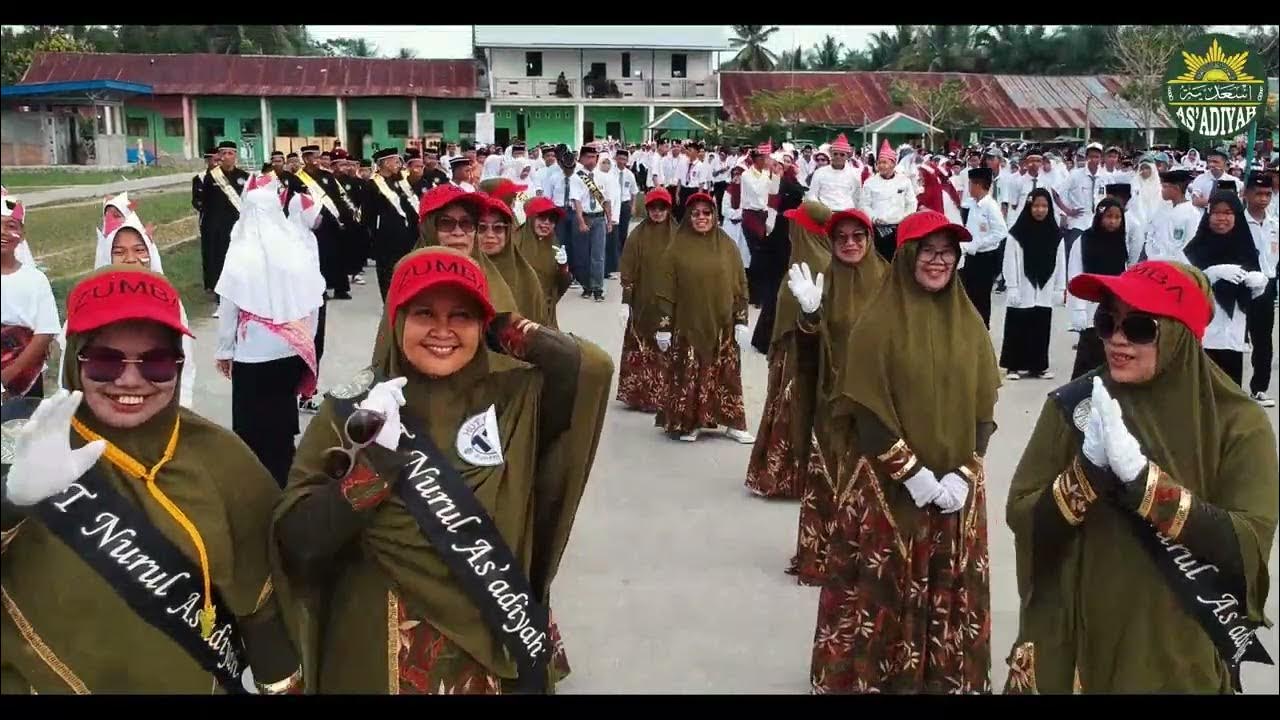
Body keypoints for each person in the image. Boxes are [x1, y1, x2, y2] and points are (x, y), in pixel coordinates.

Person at [272, 246, 612, 694]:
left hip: (491, 638)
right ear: (396, 320)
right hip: (378, 645)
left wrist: (505, 326)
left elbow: (589, 368)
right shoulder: (353, 408)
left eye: (463, 316)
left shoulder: (513, 400)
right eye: (424, 313)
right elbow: (298, 541)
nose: (442, 331)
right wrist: (372, 469)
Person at [1, 267, 302, 694]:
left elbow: (261, 604)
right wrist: (10, 502)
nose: (130, 379)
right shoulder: (18, 440)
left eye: (157, 362)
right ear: (75, 359)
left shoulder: (224, 460)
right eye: (105, 361)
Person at [1004, 261, 1277, 694]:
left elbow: (1246, 544)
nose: (1117, 339)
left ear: (1178, 336)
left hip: (1171, 646)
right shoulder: (1077, 406)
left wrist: (1146, 484)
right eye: (1106, 321)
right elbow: (1023, 516)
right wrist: (1086, 475)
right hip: (1074, 638)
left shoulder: (1238, 424)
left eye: (1139, 327)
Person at [811, 209, 999, 694]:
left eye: (948, 252)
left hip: (957, 491)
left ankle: (942, 676)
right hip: (888, 487)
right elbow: (865, 407)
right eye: (929, 251)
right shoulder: (877, 322)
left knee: (948, 581)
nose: (939, 262)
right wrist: (912, 473)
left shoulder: (970, 322)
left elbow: (985, 405)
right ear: (908, 256)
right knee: (888, 585)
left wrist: (966, 470)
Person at [783, 207, 890, 585]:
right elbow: (809, 354)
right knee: (832, 471)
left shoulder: (890, 283)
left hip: (881, 403)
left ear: (869, 239)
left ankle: (871, 560)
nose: (849, 244)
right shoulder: (822, 282)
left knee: (874, 482)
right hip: (833, 400)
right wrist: (811, 315)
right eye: (841, 238)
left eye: (857, 236)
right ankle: (826, 555)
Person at [214, 175, 326, 488]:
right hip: (291, 350)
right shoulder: (294, 247)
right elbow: (314, 301)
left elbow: (229, 307)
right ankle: (285, 479)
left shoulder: (240, 251)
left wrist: (225, 350)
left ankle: (257, 488)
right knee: (281, 420)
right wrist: (307, 342)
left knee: (251, 429)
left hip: (253, 356)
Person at [60, 213, 196, 409]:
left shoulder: (168, 301)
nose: (130, 259)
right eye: (119, 251)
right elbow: (69, 368)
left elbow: (185, 365)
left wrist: (180, 411)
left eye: (139, 250)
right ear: (108, 255)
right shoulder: (88, 301)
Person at [744, 201, 833, 498]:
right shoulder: (801, 259)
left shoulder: (818, 265)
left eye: (796, 225)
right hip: (788, 353)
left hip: (801, 356)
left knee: (794, 413)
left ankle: (789, 477)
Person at [653, 192, 753, 443]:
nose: (701, 218)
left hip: (723, 325)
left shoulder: (727, 246)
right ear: (688, 216)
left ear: (714, 215)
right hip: (689, 324)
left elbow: (740, 284)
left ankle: (733, 423)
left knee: (727, 376)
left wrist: (741, 320)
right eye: (695, 213)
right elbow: (666, 290)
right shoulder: (676, 248)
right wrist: (663, 326)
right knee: (691, 374)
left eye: (706, 213)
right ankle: (691, 422)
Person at [1183, 191, 1268, 387]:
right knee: (1203, 388)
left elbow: (1253, 289)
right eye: (1216, 213)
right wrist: (1211, 273)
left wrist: (1258, 283)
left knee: (1230, 388)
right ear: (1208, 215)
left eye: (1228, 213)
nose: (1222, 218)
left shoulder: (1244, 246)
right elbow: (1185, 285)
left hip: (1233, 333)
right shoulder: (1193, 250)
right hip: (1203, 333)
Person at [618, 188, 678, 413]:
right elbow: (628, 267)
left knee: (666, 347)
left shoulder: (679, 234)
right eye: (653, 207)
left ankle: (664, 396)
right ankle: (638, 395)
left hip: (670, 303)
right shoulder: (638, 235)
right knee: (641, 345)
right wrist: (626, 299)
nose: (657, 212)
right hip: (642, 300)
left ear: (668, 209)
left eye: (662, 207)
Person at [1000, 189, 1066, 380]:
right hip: (1022, 288)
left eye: (1044, 206)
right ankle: (1013, 366)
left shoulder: (1056, 235)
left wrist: (1060, 287)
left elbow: (1061, 263)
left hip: (1044, 288)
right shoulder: (1016, 234)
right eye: (1036, 206)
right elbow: (1009, 261)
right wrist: (1011, 285)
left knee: (1040, 325)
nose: (1040, 210)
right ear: (1029, 206)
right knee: (1018, 324)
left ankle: (1038, 366)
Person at [1, 194, 58, 400]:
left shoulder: (35, 279)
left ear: (22, 235)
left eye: (11, 226)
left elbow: (45, 332)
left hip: (25, 376)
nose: (3, 232)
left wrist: (8, 376)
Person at [1068, 199, 1131, 379]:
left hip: (1115, 308)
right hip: (1089, 308)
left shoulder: (1121, 241)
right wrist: (1078, 308)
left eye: (1118, 217)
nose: (1113, 221)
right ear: (1099, 217)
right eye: (1109, 216)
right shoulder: (1084, 240)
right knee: (1089, 355)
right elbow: (1075, 274)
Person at [751, 153, 807, 355]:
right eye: (772, 165)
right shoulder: (762, 183)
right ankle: (764, 338)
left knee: (779, 288)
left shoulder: (789, 185)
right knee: (771, 289)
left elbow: (800, 196)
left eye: (779, 165)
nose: (775, 168)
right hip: (768, 238)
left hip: (784, 237)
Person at [289, 145, 354, 301]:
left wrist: (344, 216)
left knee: (338, 255)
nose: (318, 160)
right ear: (306, 159)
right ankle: (321, 290)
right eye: (314, 157)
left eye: (319, 157)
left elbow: (338, 197)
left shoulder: (327, 176)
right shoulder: (297, 178)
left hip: (333, 221)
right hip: (315, 223)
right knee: (320, 257)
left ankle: (341, 288)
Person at [475, 193, 549, 326]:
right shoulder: (466, 271)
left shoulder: (526, 277)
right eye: (482, 228)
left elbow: (539, 324)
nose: (490, 235)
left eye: (498, 228)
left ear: (507, 233)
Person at [363, 147, 420, 301]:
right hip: (385, 238)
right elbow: (367, 215)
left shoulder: (399, 182)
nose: (398, 165)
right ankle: (389, 303)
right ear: (386, 163)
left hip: (405, 236)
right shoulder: (372, 185)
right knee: (387, 273)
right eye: (395, 162)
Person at [1242, 172, 1277, 405]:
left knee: (1263, 338)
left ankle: (1260, 387)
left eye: (1267, 194)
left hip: (1268, 284)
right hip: (1242, 285)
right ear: (1246, 194)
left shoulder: (1275, 224)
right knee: (1234, 339)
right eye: (1258, 193)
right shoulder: (1239, 223)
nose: (1263, 199)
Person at [959, 166, 1008, 328]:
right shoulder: (972, 204)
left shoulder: (990, 206)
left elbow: (1001, 232)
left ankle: (982, 327)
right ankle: (970, 327)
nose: (969, 188)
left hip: (985, 258)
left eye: (971, 184)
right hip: (971, 257)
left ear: (979, 185)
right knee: (969, 294)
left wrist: (977, 244)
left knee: (981, 297)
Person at [200, 141, 249, 301]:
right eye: (223, 153)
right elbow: (206, 204)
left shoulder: (244, 177)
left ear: (235, 155)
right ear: (219, 156)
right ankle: (221, 294)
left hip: (238, 226)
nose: (227, 157)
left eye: (230, 153)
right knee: (219, 259)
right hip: (217, 227)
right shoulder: (211, 177)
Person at [515, 197, 571, 329]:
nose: (547, 223)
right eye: (542, 217)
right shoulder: (514, 243)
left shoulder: (554, 246)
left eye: (552, 220)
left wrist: (564, 268)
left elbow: (559, 287)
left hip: (546, 317)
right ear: (531, 218)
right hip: (519, 316)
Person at [862, 139, 919, 262]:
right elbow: (864, 204)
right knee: (877, 261)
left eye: (884, 162)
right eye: (879, 163)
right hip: (877, 229)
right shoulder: (870, 182)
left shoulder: (904, 181)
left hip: (899, 227)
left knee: (897, 261)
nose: (881, 165)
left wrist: (904, 218)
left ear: (893, 164)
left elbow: (911, 203)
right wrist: (873, 218)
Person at [572, 145, 612, 302]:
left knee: (598, 255)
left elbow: (606, 201)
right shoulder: (577, 177)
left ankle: (597, 287)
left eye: (594, 157)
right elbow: (577, 202)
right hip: (585, 217)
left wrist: (610, 221)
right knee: (583, 255)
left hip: (600, 218)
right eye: (588, 157)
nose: (591, 160)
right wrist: (581, 221)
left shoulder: (603, 177)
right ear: (581, 158)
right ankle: (586, 286)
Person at [741, 143, 779, 306]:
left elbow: (774, 191)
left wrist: (775, 175)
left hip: (762, 216)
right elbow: (756, 192)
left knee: (760, 256)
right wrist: (769, 174)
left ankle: (759, 294)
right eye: (765, 158)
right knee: (756, 254)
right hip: (751, 215)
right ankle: (754, 293)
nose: (767, 161)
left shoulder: (764, 174)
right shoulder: (746, 175)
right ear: (758, 159)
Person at [1054, 142, 1106, 260]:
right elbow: (1058, 193)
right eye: (1091, 156)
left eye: (1097, 157)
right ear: (1087, 158)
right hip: (1078, 222)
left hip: (1097, 222)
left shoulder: (1105, 177)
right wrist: (1067, 211)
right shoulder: (1076, 175)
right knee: (1072, 253)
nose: (1094, 160)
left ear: (1101, 158)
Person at [1145, 169, 1200, 262]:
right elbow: (1151, 235)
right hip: (1153, 261)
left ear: (1176, 188)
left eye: (1165, 187)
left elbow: (1189, 244)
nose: (1162, 190)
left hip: (1176, 264)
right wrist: (1152, 255)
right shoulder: (1162, 209)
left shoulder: (1192, 213)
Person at [596, 154, 624, 282]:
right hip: (602, 216)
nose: (606, 165)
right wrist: (608, 216)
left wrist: (614, 216)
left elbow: (616, 199)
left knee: (611, 244)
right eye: (603, 162)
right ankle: (600, 271)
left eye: (608, 162)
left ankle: (609, 270)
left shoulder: (614, 177)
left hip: (614, 216)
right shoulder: (596, 177)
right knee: (600, 245)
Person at [1103, 183, 1146, 266]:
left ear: (1122, 199)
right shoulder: (1102, 217)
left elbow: (1135, 248)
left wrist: (1130, 266)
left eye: (1111, 198)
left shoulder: (1133, 222)